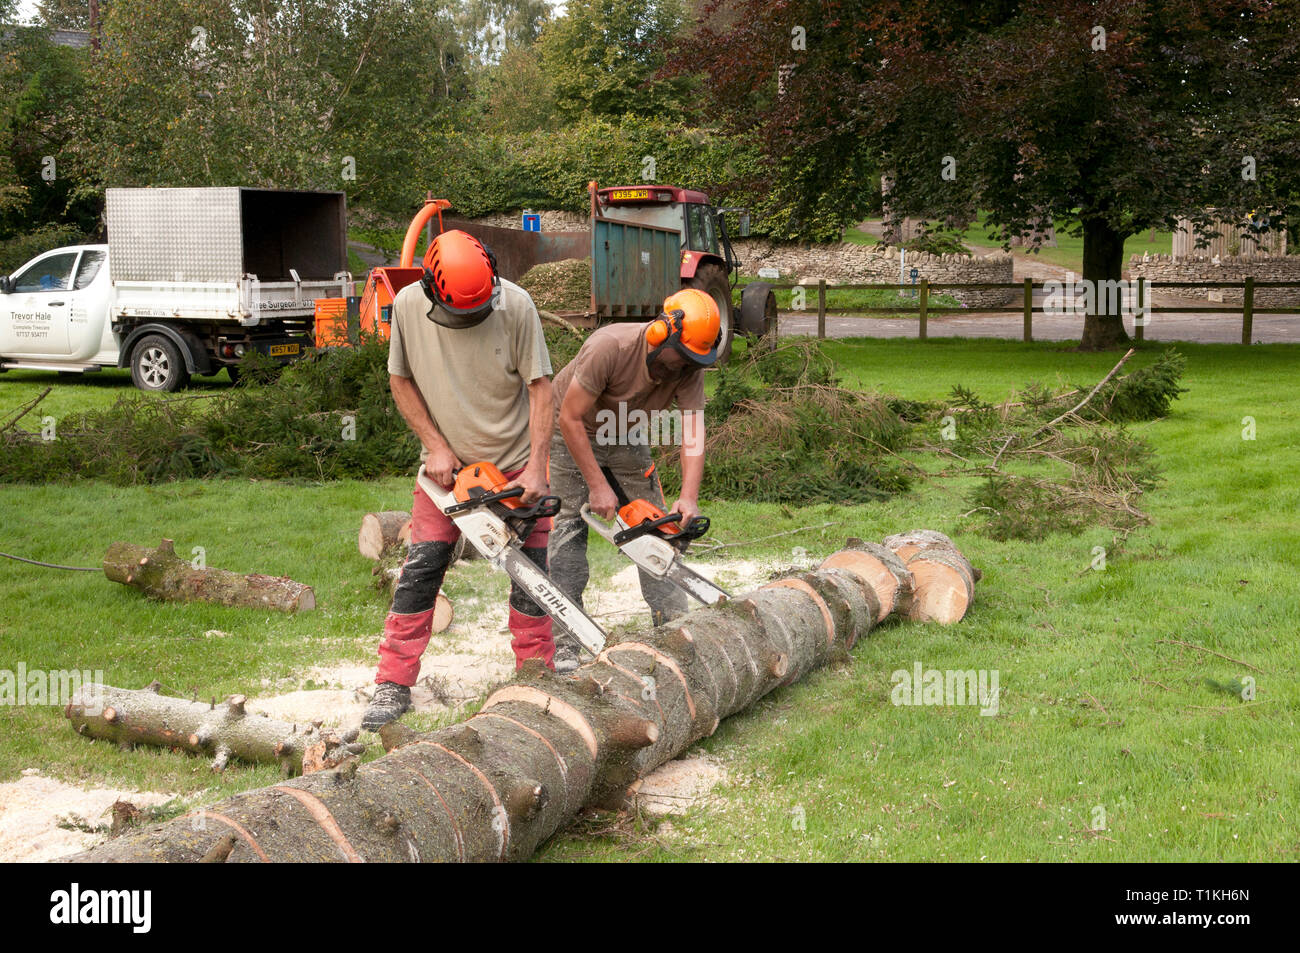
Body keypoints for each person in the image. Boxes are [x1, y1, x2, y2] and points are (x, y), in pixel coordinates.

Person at [361, 229, 555, 730]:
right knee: (421, 570)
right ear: (431, 290)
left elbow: (540, 388)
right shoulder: (406, 306)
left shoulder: (517, 306)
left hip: (513, 466)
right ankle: (392, 682)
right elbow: (400, 378)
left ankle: (535, 674)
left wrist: (537, 467)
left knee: (531, 578)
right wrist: (435, 445)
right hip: (445, 473)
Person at [547, 288, 719, 672]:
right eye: (684, 356)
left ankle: (672, 624)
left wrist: (688, 498)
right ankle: (566, 640)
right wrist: (597, 484)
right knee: (568, 531)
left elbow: (693, 430)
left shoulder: (688, 367)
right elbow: (569, 418)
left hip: (627, 432)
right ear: (661, 334)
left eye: (696, 359)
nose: (685, 366)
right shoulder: (609, 347)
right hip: (570, 428)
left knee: (654, 526)